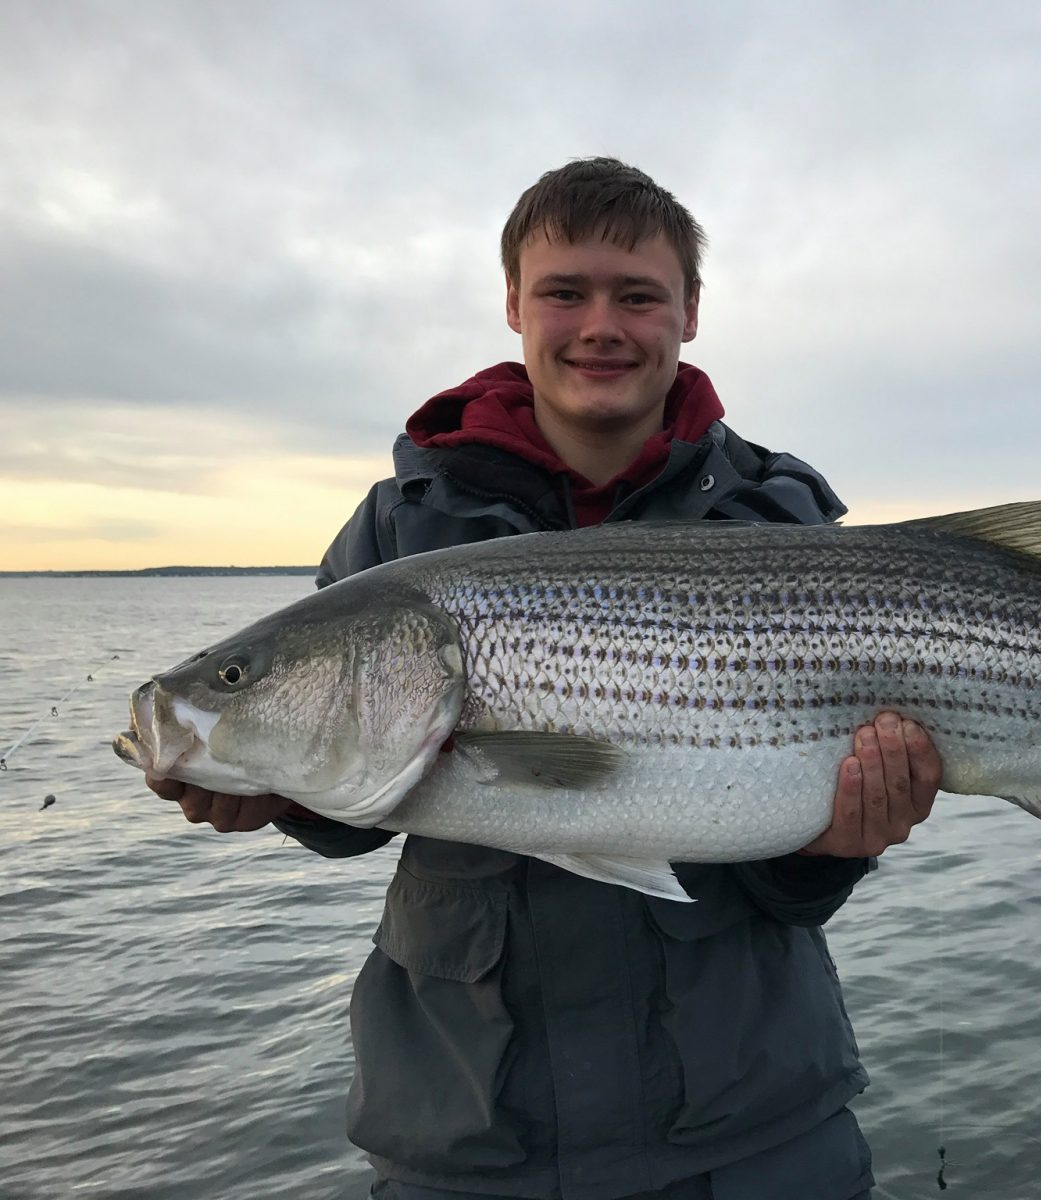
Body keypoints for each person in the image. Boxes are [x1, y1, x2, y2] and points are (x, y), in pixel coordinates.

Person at [146, 158, 942, 1200]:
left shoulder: (776, 522)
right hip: (470, 1131)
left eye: (638, 295)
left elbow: (790, 879)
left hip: (751, 1131)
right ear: (514, 304)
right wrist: (269, 785)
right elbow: (356, 809)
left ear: (690, 314)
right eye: (565, 292)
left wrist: (837, 846)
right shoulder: (399, 530)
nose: (600, 324)